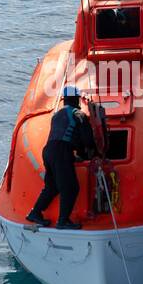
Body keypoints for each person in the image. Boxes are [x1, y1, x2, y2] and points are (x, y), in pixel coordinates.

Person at [26, 85, 94, 229]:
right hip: (61, 151)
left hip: (49, 151)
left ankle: (35, 213)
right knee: (70, 187)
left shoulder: (56, 115)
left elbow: (61, 136)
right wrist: (88, 154)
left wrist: (71, 157)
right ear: (76, 99)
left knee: (52, 186)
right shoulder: (78, 114)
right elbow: (87, 140)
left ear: (64, 100)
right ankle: (63, 221)